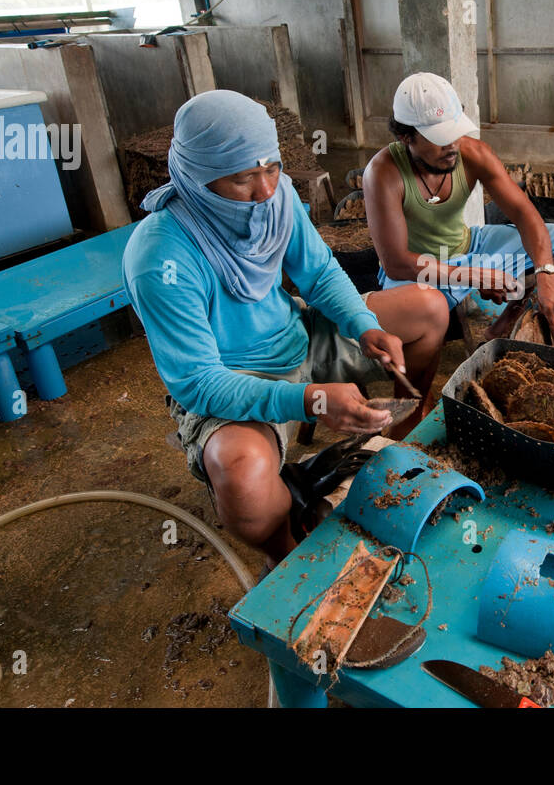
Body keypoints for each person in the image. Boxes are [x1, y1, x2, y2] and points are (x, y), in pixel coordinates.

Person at [123, 90, 449, 565]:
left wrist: (362, 327)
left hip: (296, 333)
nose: (266, 190)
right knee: (241, 474)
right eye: (242, 179)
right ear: (197, 178)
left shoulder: (278, 199)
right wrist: (310, 400)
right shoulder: (160, 258)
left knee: (429, 308)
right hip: (231, 383)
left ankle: (402, 433)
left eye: (272, 168)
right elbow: (198, 382)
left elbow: (317, 273)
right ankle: (288, 552)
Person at [363, 72, 554, 342]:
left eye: (455, 131)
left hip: (470, 248)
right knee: (408, 319)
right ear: (407, 137)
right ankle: (451, 301)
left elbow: (524, 214)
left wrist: (547, 274)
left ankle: (508, 318)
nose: (452, 145)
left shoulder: (474, 153)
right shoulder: (383, 172)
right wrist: (473, 277)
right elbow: (395, 263)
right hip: (419, 270)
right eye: (439, 137)